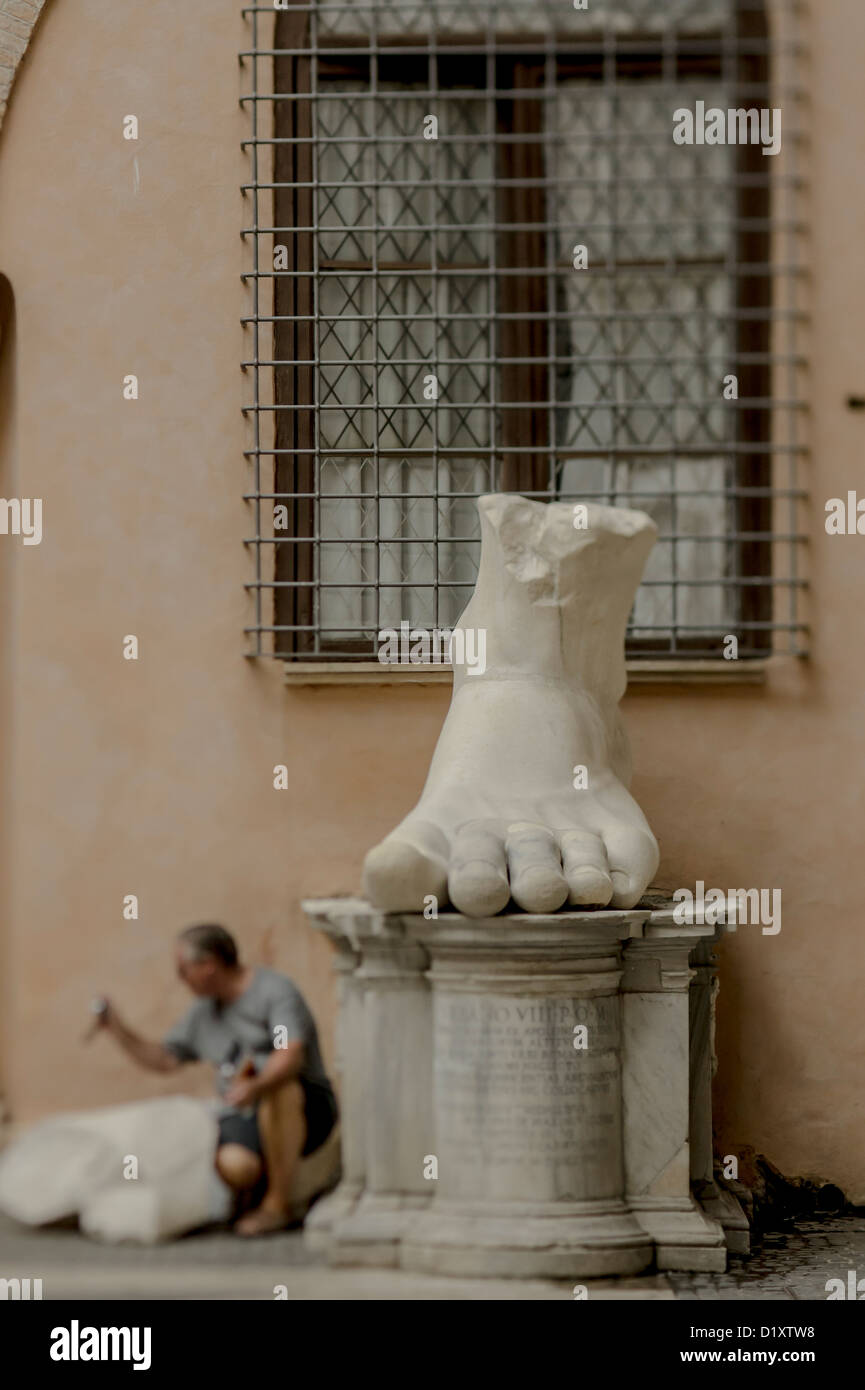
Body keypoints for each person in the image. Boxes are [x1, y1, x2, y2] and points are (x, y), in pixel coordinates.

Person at [97, 923, 338, 1236]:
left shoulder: (274, 992)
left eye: (183, 970)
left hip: (304, 1105)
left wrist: (258, 1085)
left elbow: (289, 1053)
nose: (180, 978)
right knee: (235, 1165)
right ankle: (253, 1193)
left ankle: (277, 1206)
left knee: (281, 1089)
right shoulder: (203, 1014)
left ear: (208, 966)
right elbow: (164, 1059)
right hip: (243, 1112)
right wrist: (117, 1029)